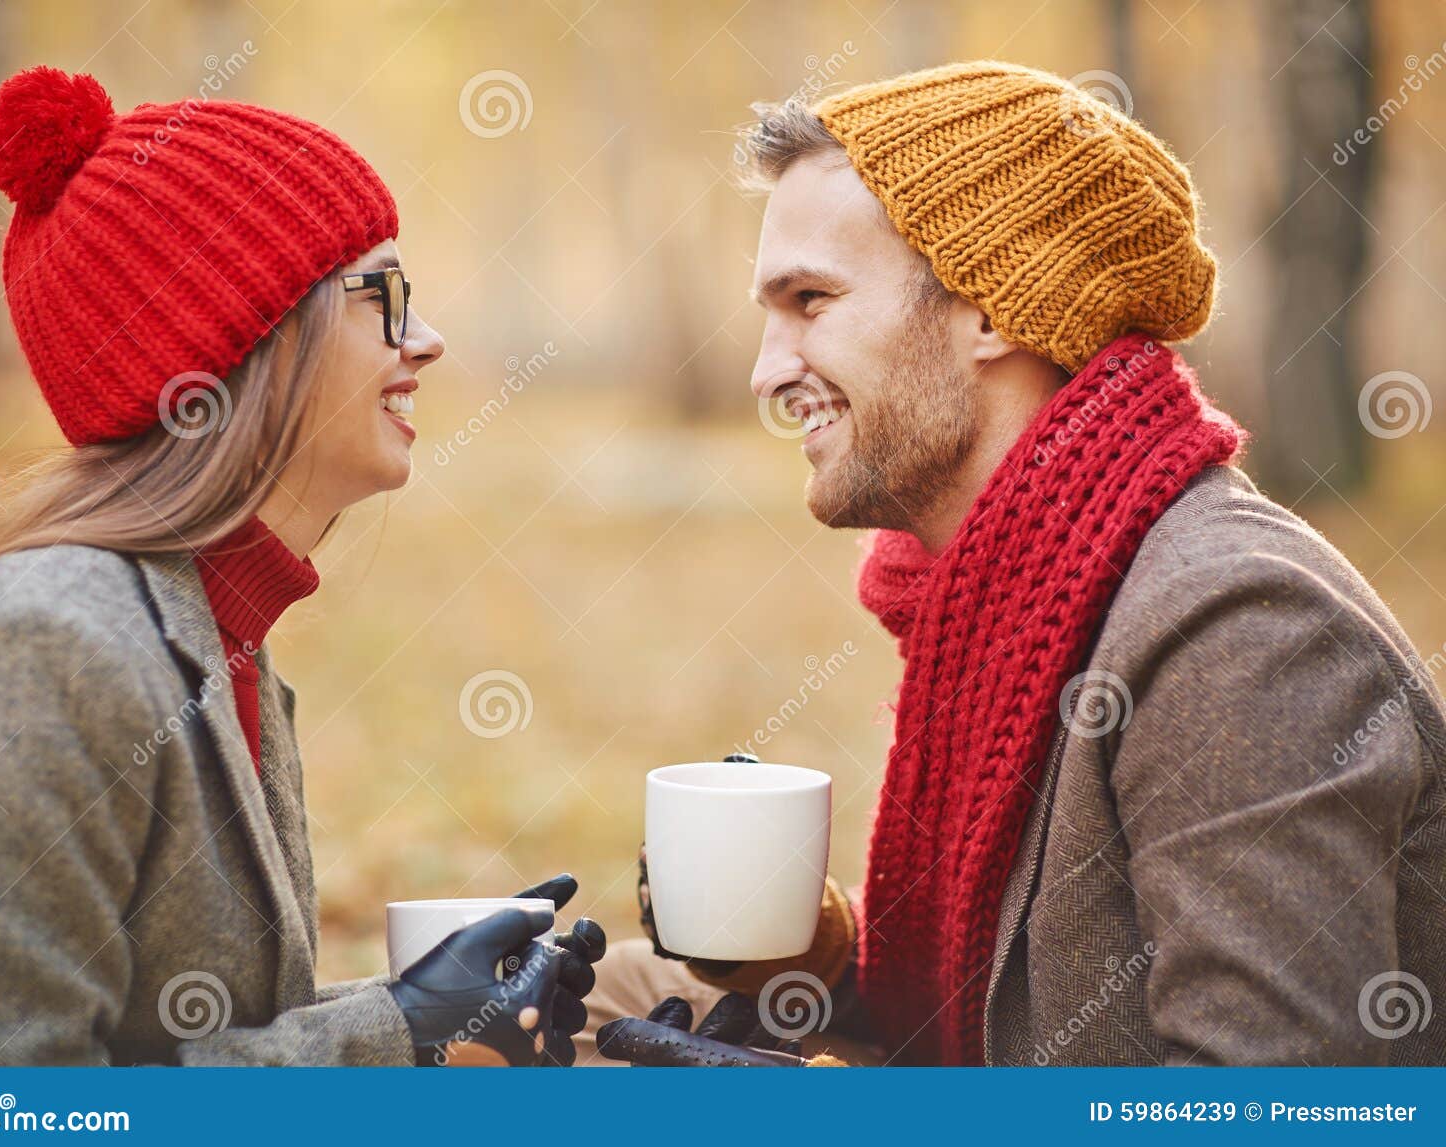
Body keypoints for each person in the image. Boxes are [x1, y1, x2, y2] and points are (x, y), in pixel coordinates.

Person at [589, 60, 1446, 1067]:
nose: (765, 370)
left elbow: (1277, 1110)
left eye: (810, 300)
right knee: (575, 995)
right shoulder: (1002, 587)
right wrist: (817, 953)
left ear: (993, 310)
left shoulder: (1237, 626)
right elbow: (1006, 992)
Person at [0, 65, 604, 1066]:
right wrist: (393, 1034)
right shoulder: (45, 649)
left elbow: (177, 1032)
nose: (427, 339)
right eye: (382, 293)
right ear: (242, 338)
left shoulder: (212, 630)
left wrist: (435, 1011)